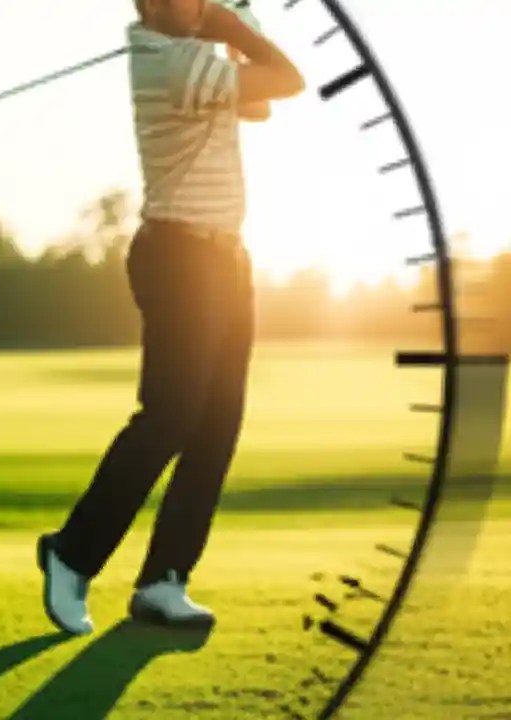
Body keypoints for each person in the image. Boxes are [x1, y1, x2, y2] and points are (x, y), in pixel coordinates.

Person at [37, 0, 305, 634]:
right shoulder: (171, 66)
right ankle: (72, 554)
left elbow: (258, 104)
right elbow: (288, 81)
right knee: (171, 415)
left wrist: (230, 29)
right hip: (180, 256)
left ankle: (165, 579)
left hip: (227, 258)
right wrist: (233, 25)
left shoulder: (191, 56)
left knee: (218, 423)